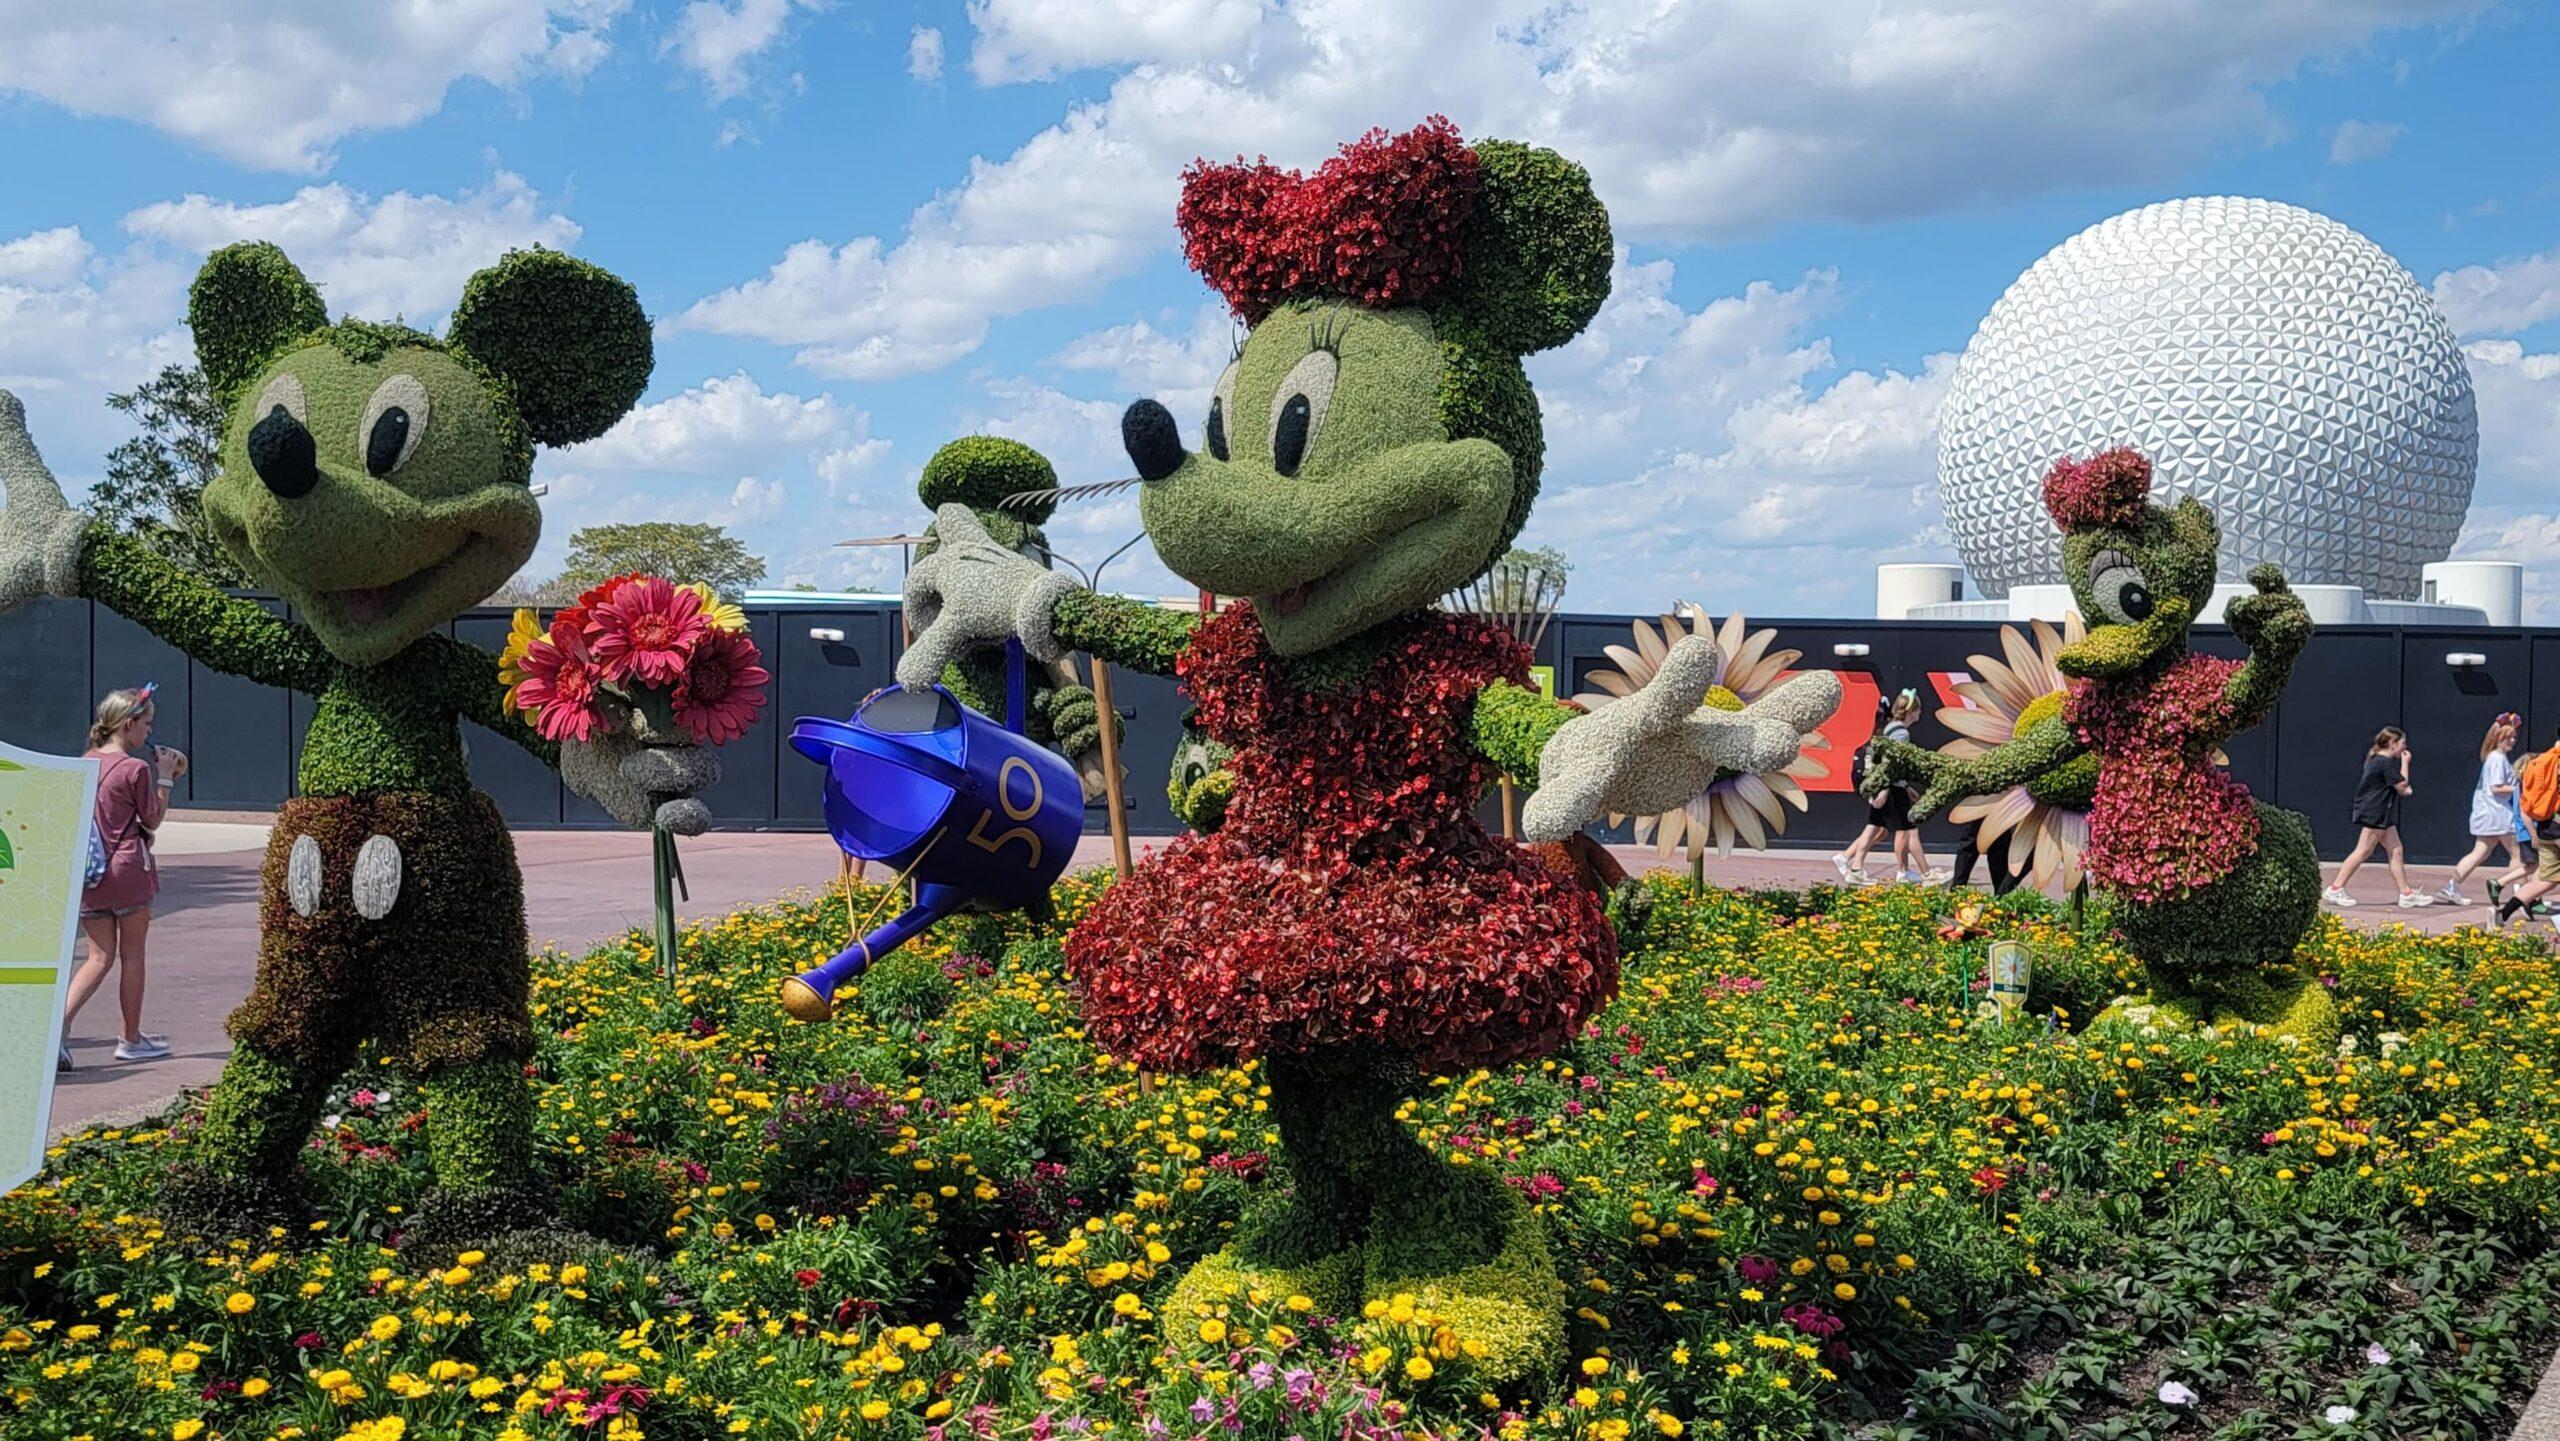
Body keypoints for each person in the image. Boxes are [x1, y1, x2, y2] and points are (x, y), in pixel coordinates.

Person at [61, 685, 186, 1067]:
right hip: (128, 869)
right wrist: (165, 777)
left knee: (97, 958)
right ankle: (130, 1038)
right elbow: (152, 819)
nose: (149, 732)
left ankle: (57, 1032)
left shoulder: (85, 762)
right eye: (145, 725)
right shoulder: (134, 769)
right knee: (132, 956)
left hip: (91, 875)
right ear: (128, 724)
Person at [2324, 725, 2429, 908]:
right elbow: (2402, 786)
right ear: (2392, 743)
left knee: (2396, 850)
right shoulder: (2383, 762)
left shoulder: (2379, 762)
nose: (2405, 748)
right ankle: (2335, 888)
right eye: (2402, 743)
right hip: (2375, 812)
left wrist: (2403, 788)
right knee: (2363, 851)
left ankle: (2406, 893)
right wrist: (2406, 763)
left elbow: (2398, 787)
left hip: (2381, 813)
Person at [2443, 713, 2531, 906]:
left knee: (2480, 852)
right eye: (2508, 737)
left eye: (2514, 737)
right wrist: (2520, 787)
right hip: (2497, 813)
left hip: (2489, 812)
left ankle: (2452, 886)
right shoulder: (2498, 759)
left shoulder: (2493, 758)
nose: (2513, 741)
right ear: (2498, 738)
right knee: (2517, 853)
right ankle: (2524, 896)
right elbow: (2496, 788)